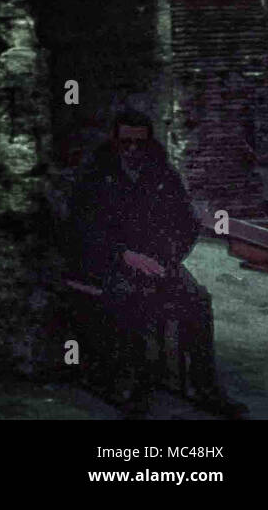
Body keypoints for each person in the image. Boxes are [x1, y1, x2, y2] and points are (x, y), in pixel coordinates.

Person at [64, 110, 246, 417]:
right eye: (126, 143)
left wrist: (168, 257)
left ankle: (206, 387)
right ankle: (131, 385)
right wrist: (123, 254)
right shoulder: (95, 174)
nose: (133, 150)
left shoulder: (162, 172)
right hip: (110, 260)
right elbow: (82, 229)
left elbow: (186, 223)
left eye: (139, 143)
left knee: (197, 299)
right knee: (131, 298)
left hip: (159, 260)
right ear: (115, 140)